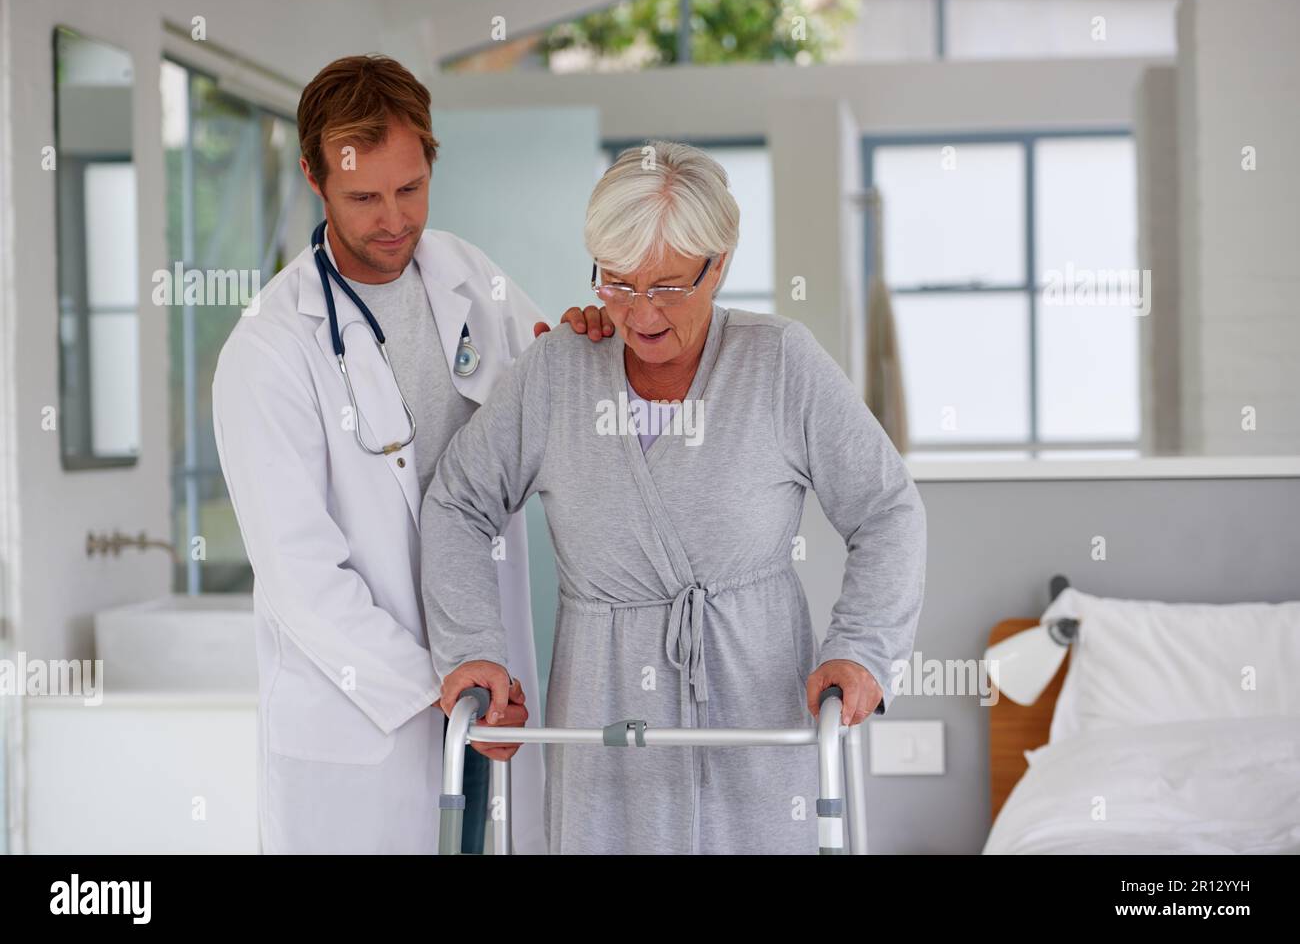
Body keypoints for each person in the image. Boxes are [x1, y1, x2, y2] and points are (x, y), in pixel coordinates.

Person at [421, 141, 927, 854]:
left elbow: (888, 509)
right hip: (601, 713)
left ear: (719, 264)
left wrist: (863, 649)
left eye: (666, 287)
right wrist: (473, 649)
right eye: (618, 284)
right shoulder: (557, 371)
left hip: (758, 709)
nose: (640, 314)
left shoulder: (779, 362)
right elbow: (457, 505)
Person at [212, 54, 608, 854]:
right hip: (373, 715)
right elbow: (301, 578)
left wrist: (588, 347)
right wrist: (441, 680)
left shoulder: (467, 275)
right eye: (363, 196)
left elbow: (551, 399)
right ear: (315, 181)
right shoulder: (270, 348)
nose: (393, 219)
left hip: (485, 694)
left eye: (410, 188)